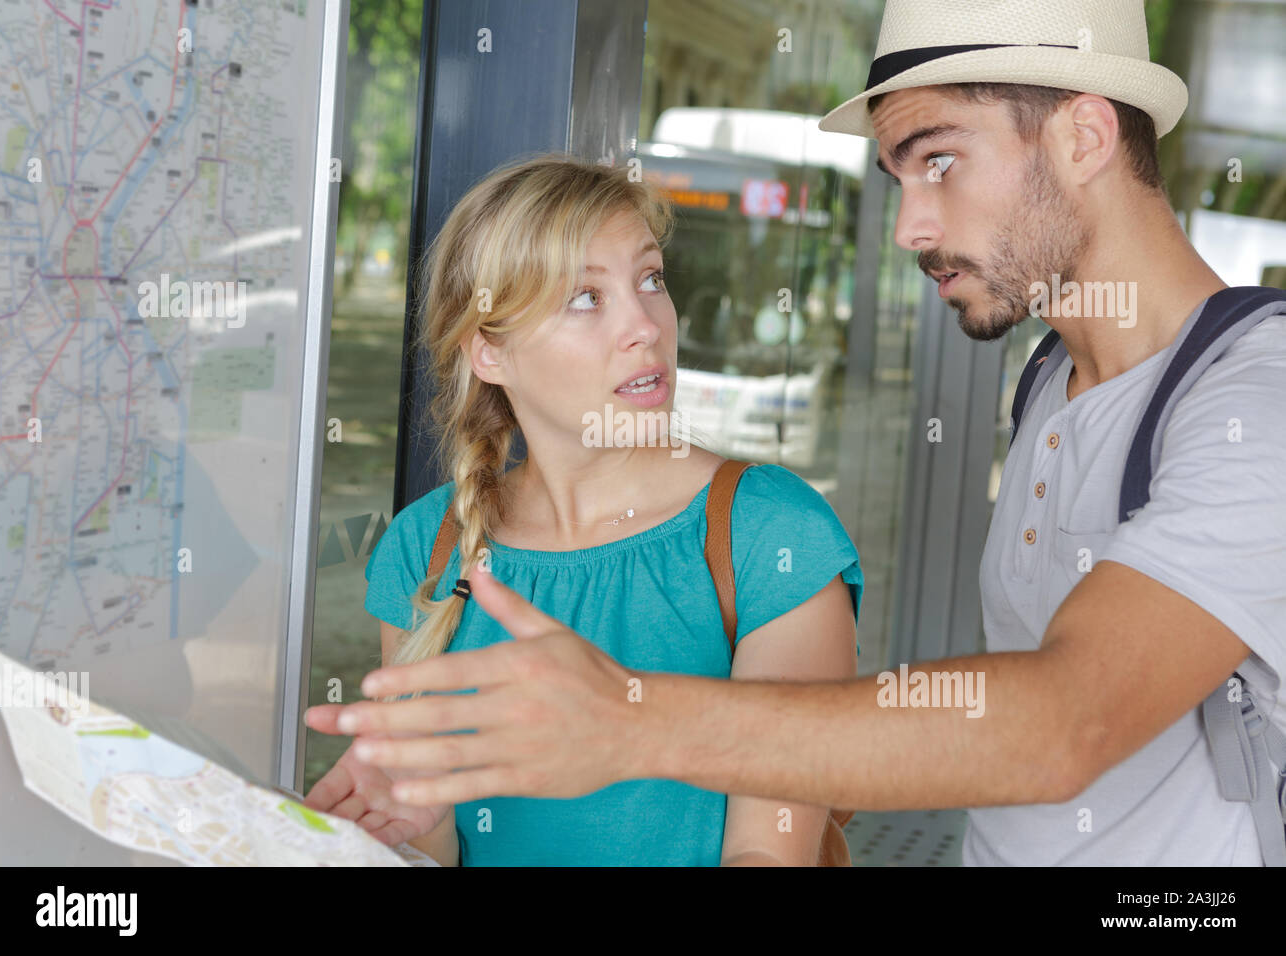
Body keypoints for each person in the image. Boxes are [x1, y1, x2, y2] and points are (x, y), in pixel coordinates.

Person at [308, 0, 1286, 866]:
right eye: (898, 175)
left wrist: (625, 720)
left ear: (1082, 137)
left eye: (938, 160)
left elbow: (1064, 721)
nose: (907, 228)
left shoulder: (1260, 398)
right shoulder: (1051, 384)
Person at [304, 154, 863, 866]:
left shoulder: (772, 536)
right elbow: (440, 849)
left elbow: (769, 857)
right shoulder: (428, 547)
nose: (646, 326)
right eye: (585, 298)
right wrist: (415, 831)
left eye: (651, 279)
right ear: (489, 352)